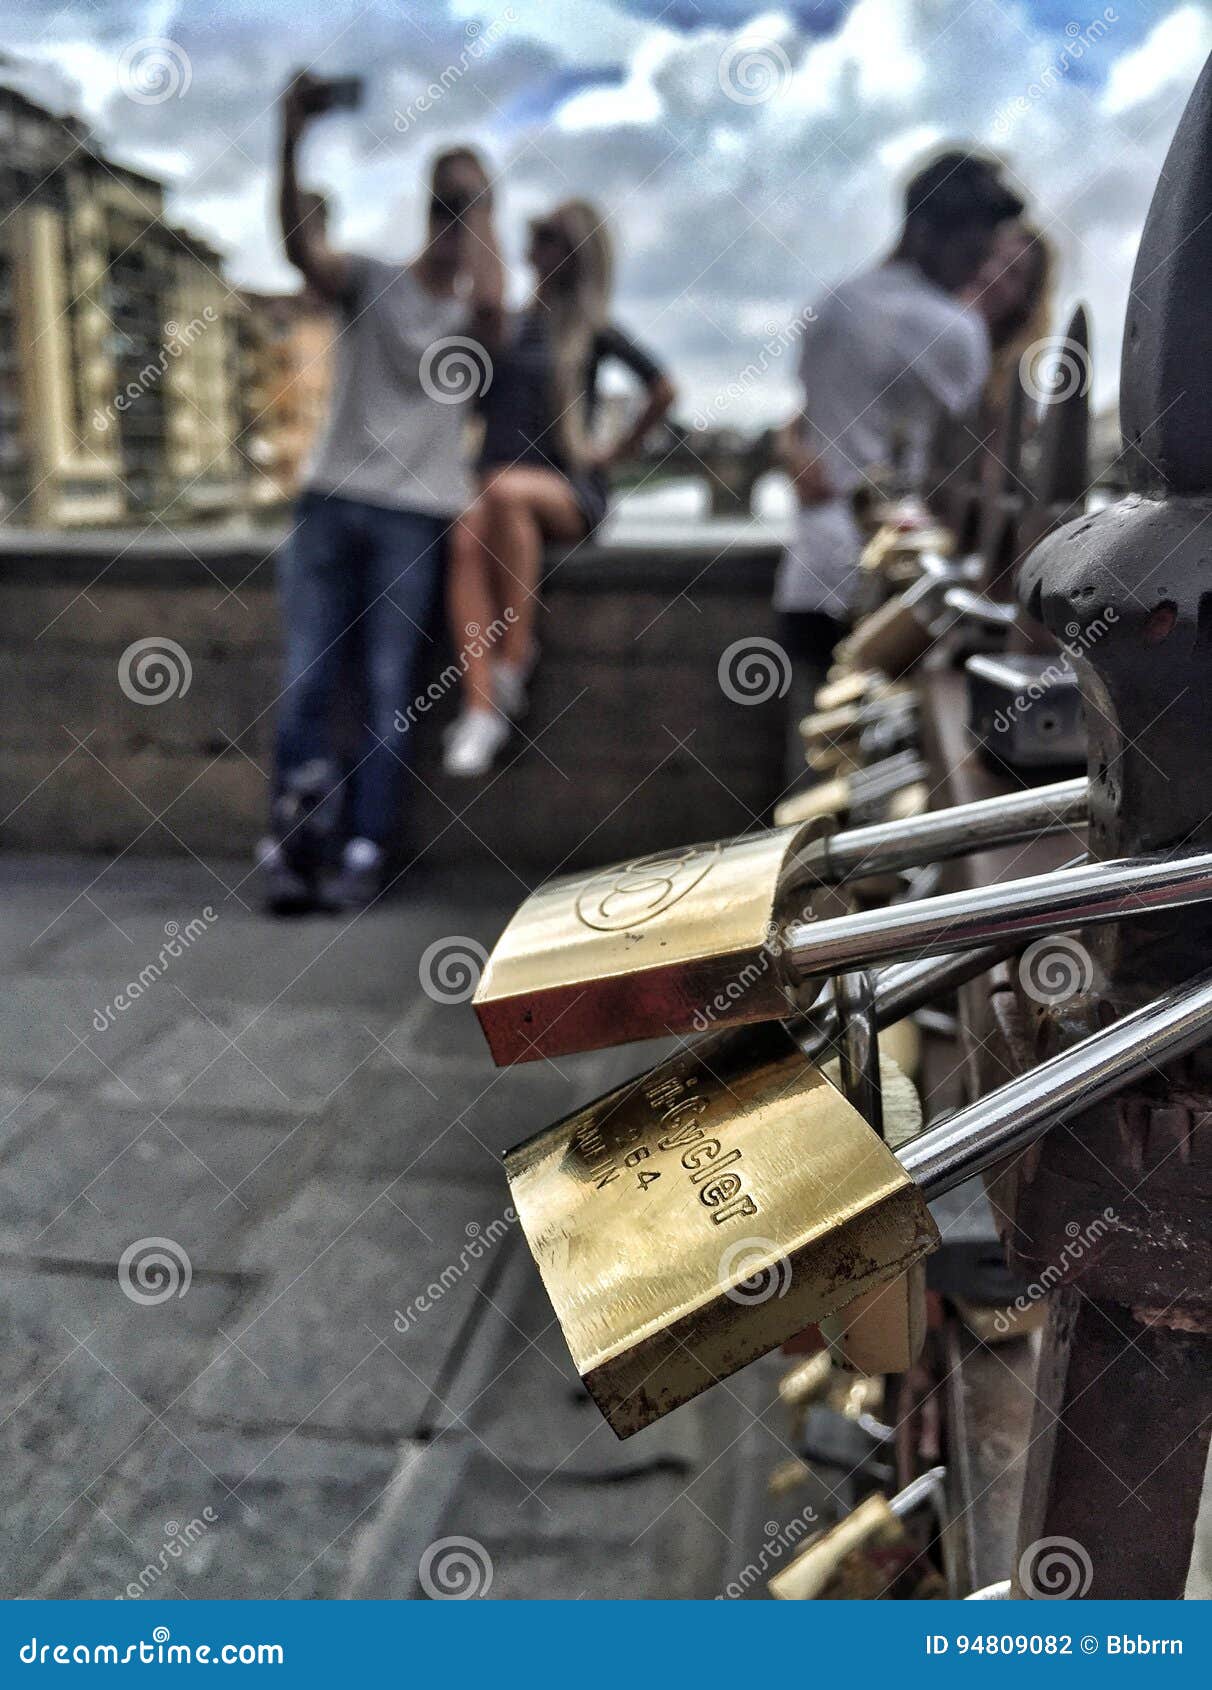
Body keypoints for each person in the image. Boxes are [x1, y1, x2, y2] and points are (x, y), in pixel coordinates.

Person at [258, 71, 504, 913]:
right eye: (441, 204)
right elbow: (299, 249)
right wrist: (290, 136)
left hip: (415, 517)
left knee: (390, 689)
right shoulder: (371, 278)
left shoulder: (476, 313)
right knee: (309, 680)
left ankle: (365, 847)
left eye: (464, 208)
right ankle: (293, 848)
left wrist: (481, 209)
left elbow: (501, 308)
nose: (450, 221)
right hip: (331, 499)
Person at [773, 149, 1025, 786]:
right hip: (895, 594)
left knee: (810, 778)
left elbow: (808, 427)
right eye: (975, 247)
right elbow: (966, 469)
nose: (980, 266)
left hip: (809, 572)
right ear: (929, 231)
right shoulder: (953, 327)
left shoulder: (830, 303)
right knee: (878, 798)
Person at [441, 199, 675, 778]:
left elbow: (663, 388)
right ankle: (483, 710)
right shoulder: (509, 327)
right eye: (535, 236)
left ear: (573, 254)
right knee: (469, 535)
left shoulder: (590, 328)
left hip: (568, 490)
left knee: (502, 491)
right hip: (505, 497)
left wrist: (615, 452)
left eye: (549, 239)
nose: (536, 249)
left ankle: (515, 662)